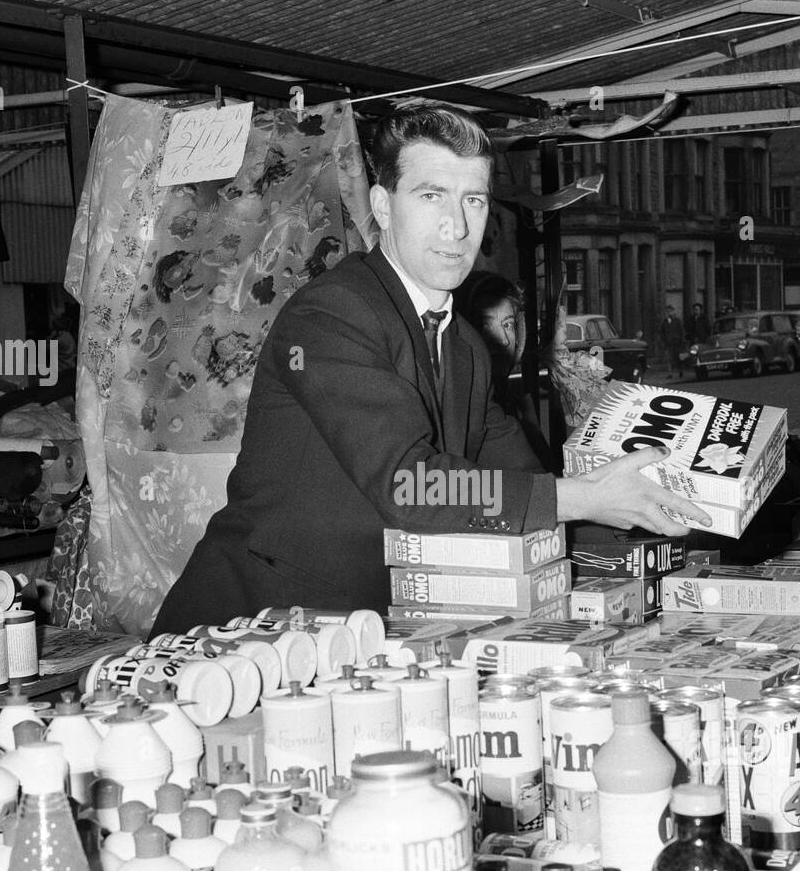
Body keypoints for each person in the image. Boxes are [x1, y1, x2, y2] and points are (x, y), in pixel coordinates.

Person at [152, 101, 713, 630]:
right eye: (430, 196)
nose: (457, 226)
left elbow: (520, 481)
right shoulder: (333, 313)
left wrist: (654, 488)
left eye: (474, 199)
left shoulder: (465, 344)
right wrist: (587, 497)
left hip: (362, 632)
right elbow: (409, 484)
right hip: (246, 627)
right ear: (381, 206)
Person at [455, 270, 550, 466]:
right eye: (484, 326)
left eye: (508, 325)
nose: (505, 340)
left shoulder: (511, 400)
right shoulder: (461, 411)